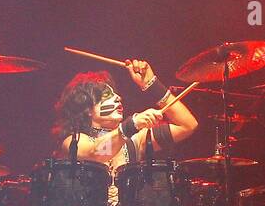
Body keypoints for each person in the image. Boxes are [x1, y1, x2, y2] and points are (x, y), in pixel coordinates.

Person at [54, 59, 197, 168]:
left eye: (116, 94)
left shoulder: (136, 139)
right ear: (88, 109)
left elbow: (188, 125)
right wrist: (131, 124)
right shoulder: (73, 141)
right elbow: (96, 153)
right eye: (107, 95)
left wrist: (152, 85)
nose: (118, 97)